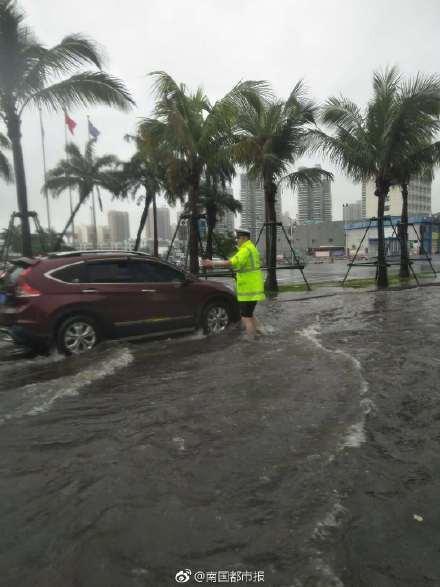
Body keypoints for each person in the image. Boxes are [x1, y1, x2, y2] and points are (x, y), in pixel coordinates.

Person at [201, 228, 265, 339]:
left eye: (238, 238)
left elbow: (231, 262)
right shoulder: (251, 248)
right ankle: (261, 333)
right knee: (250, 314)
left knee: (245, 317)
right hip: (253, 286)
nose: (237, 240)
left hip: (249, 288)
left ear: (244, 238)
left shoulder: (246, 250)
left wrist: (212, 263)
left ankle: (251, 340)